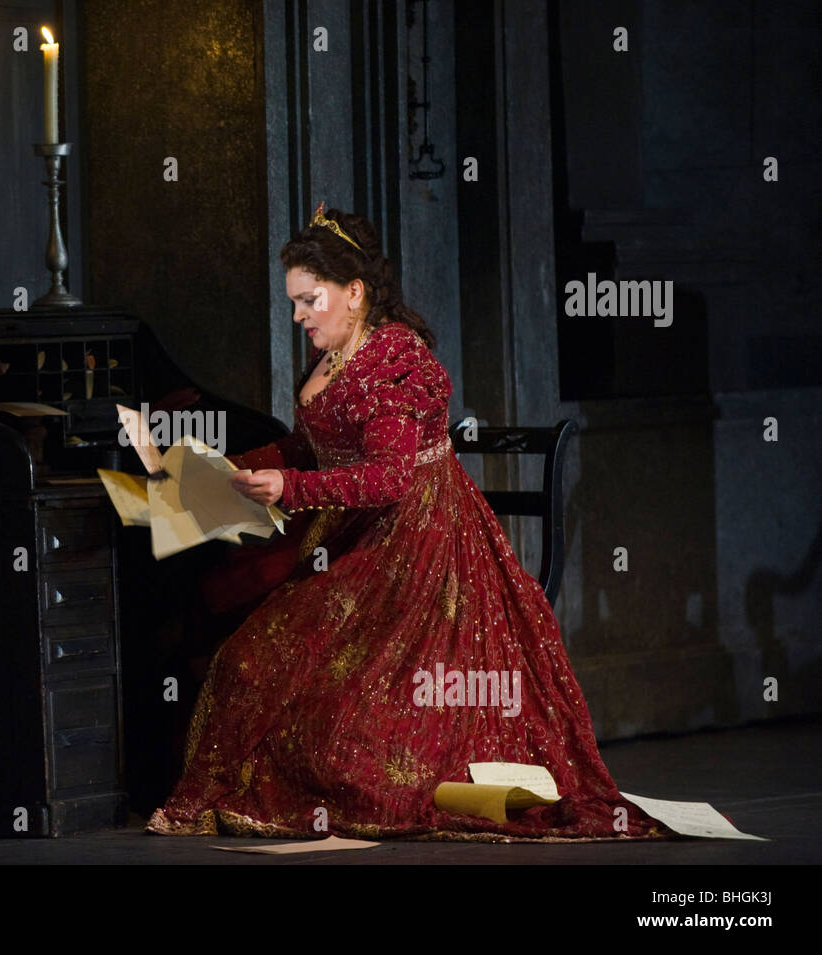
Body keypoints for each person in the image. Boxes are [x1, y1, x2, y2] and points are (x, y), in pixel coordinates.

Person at [145, 203, 668, 842]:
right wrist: (221, 471)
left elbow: (389, 477)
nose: (298, 315)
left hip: (418, 546)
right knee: (251, 659)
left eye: (309, 300)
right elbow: (308, 447)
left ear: (355, 292)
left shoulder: (394, 359)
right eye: (295, 301)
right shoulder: (334, 353)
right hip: (354, 535)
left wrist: (292, 488)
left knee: (343, 717)